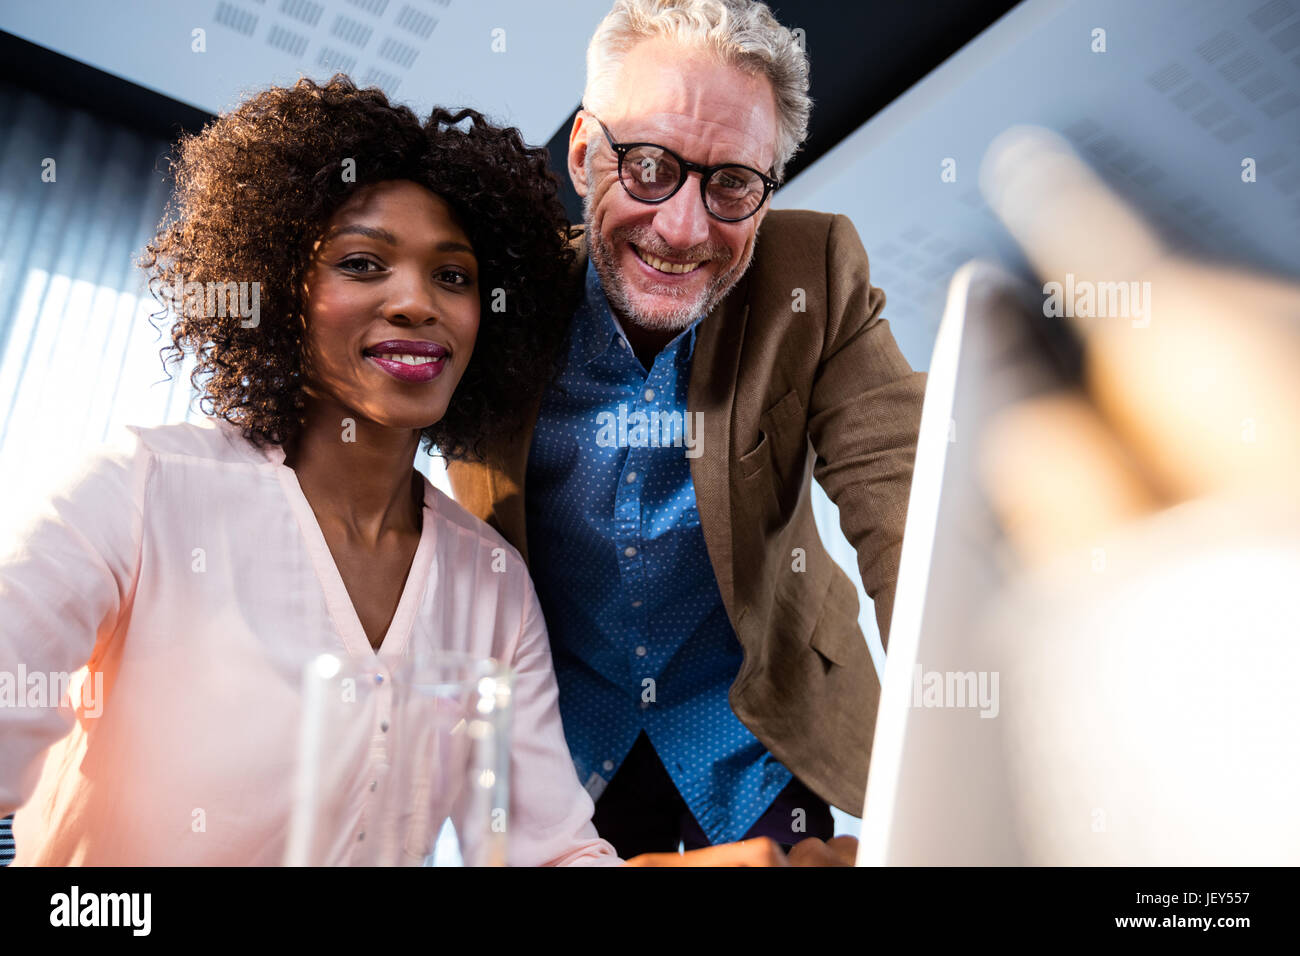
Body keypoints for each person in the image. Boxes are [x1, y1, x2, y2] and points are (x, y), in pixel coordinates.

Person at [0, 75, 789, 866]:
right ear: (285, 290)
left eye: (454, 276)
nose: (417, 302)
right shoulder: (138, 492)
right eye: (363, 263)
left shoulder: (492, 586)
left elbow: (544, 853)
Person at [448, 0, 924, 859]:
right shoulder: (497, 301)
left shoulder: (811, 276)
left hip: (757, 732)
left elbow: (911, 504)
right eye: (650, 166)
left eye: (733, 184)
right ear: (587, 153)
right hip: (561, 740)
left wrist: (962, 744)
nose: (684, 229)